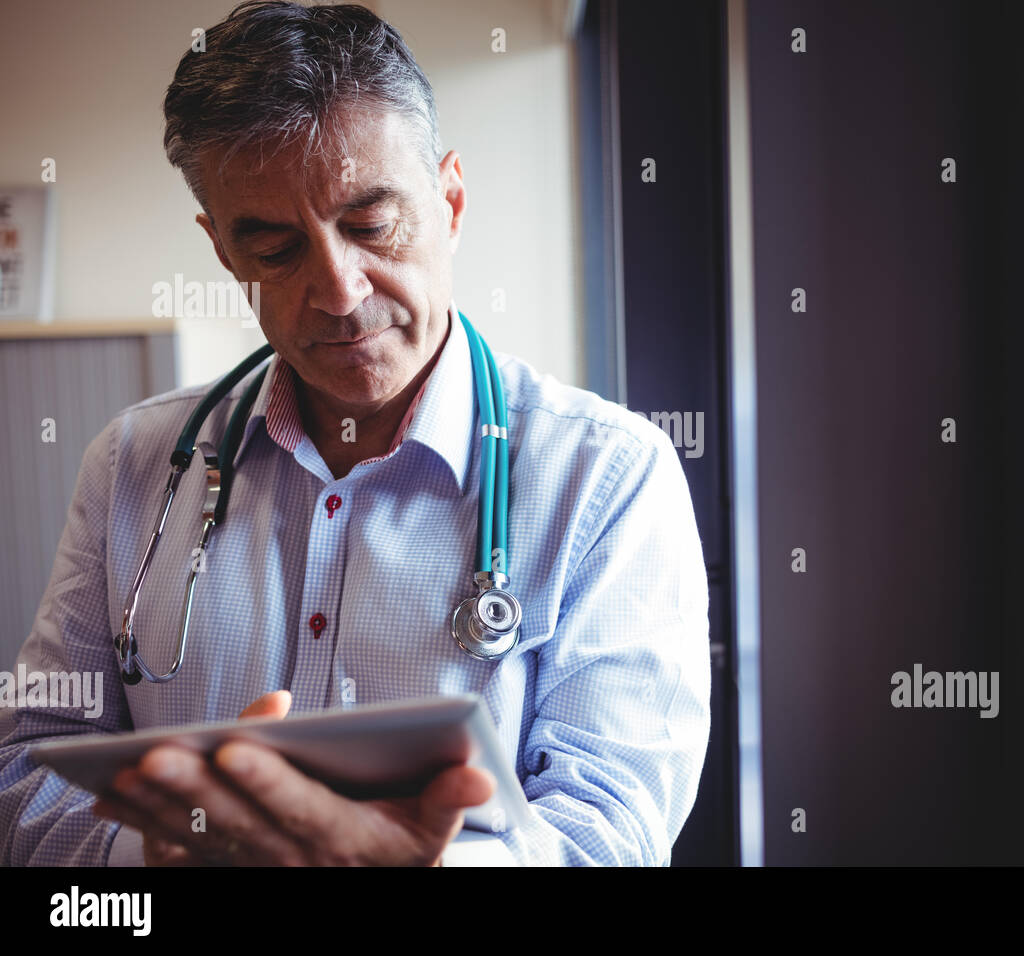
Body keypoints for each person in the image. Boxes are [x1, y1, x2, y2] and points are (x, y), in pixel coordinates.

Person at [0, 0, 710, 867]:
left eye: (371, 226)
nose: (337, 290)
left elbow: (611, 834)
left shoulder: (606, 476)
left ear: (450, 200)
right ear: (223, 252)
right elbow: (23, 773)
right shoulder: (131, 466)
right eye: (275, 250)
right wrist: (169, 856)